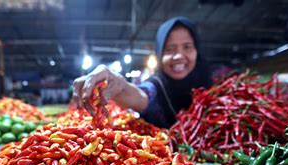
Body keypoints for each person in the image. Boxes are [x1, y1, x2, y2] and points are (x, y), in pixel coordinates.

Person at [72, 16, 212, 128]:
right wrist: (118, 84)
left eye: (187, 47)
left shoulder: (212, 86)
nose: (179, 56)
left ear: (196, 50)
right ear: (159, 53)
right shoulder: (157, 86)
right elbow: (141, 95)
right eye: (169, 49)